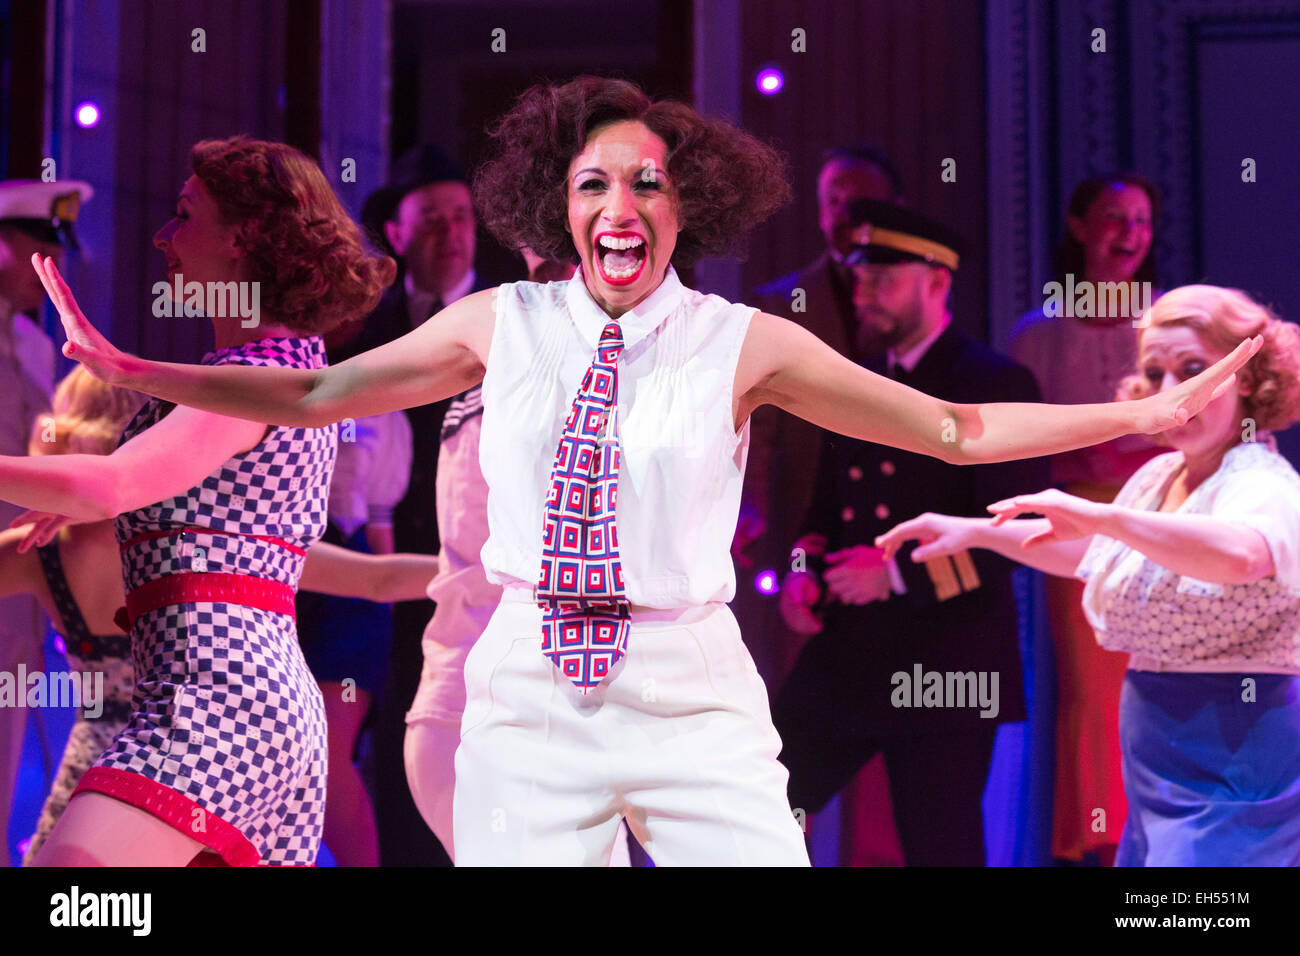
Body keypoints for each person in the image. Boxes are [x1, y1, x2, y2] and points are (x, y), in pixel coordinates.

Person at [40, 76, 1258, 866]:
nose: (619, 206)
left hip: (687, 683)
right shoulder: (498, 322)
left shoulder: (745, 340)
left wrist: (1146, 413)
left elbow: (951, 428)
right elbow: (311, 390)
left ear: (687, 206)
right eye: (592, 184)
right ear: (559, 208)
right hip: (525, 690)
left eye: (648, 183)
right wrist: (129, 357)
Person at [3, 136, 395, 866]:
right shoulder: (275, 370)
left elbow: (116, 481)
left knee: (71, 892)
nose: (163, 238)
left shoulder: (259, 376)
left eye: (185, 215)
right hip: (251, 705)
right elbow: (132, 484)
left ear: (244, 235)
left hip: (220, 705)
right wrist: (90, 496)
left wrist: (95, 492)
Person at [879, 284, 1300, 865]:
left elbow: (1240, 556)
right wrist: (974, 531)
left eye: (1194, 369)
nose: (1170, 391)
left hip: (1236, 740)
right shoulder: (1160, 476)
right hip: (1157, 742)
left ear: (1246, 378)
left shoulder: (1259, 478)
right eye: (1155, 373)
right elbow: (1099, 556)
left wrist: (1106, 515)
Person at [2, 367, 439, 864]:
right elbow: (373, 580)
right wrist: (476, 571)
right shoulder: (208, 541)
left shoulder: (39, 553)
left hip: (104, 767)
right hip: (197, 761)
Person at [773, 199, 1049, 865]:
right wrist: (802, 578)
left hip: (947, 661)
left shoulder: (995, 384)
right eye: (861, 277)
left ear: (936, 280)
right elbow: (820, 516)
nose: (864, 292)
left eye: (883, 278)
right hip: (849, 653)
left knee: (941, 847)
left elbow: (1017, 531)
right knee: (760, 797)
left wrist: (893, 573)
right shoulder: (860, 383)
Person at [335, 145, 496, 866]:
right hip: (386, 582)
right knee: (403, 749)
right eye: (430, 219)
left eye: (460, 216)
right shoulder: (366, 329)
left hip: (490, 576)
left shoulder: (512, 312)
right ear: (395, 234)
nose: (450, 232)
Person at [1007, 172, 1165, 864]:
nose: (1128, 232)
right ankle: (1095, 838)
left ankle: (1165, 838)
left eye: (1140, 219)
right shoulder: (1039, 336)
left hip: (1161, 521)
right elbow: (1017, 447)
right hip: (1074, 526)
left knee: (1161, 679)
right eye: (1113, 216)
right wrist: (1080, 461)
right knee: (1092, 688)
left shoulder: (1170, 324)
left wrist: (1129, 456)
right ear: (1079, 227)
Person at [0, 178, 93, 856]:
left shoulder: (35, 346)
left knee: (20, 740)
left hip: (33, 580)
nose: (50, 271)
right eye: (38, 250)